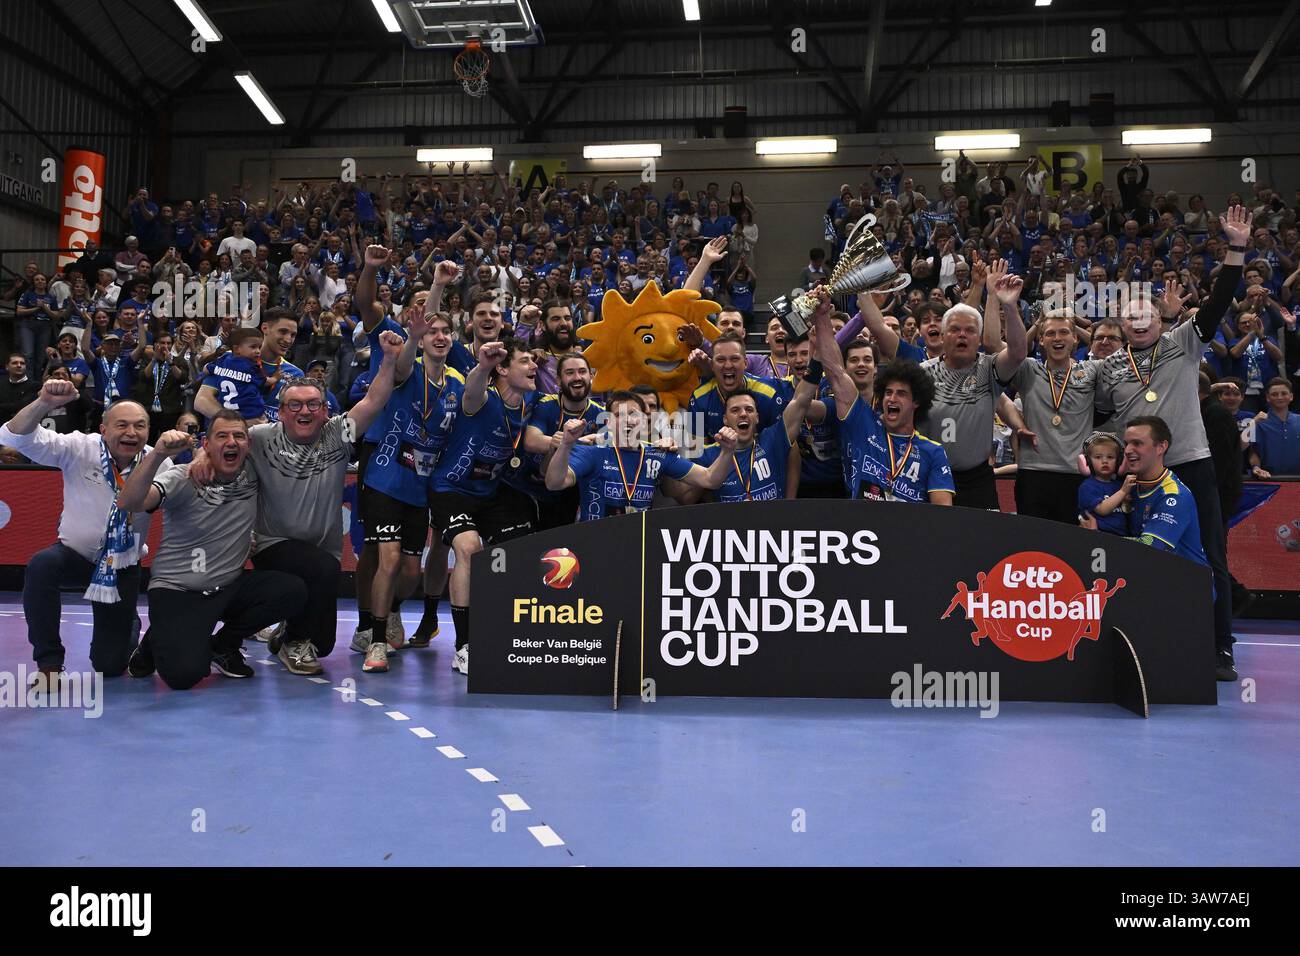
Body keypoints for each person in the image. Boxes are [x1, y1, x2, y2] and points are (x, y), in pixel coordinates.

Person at [1094, 205, 1254, 680]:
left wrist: (1237, 249)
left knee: (1209, 556)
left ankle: (1221, 647)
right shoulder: (1107, 369)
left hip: (1190, 466)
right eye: (1131, 318)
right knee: (1144, 558)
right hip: (1138, 481)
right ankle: (1150, 641)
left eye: (1147, 315)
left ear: (1161, 319)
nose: (1140, 323)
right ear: (1122, 325)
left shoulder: (1184, 343)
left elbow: (1220, 302)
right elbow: (1097, 419)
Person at [116, 414, 308, 690]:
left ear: (248, 443)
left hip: (227, 587)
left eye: (238, 436)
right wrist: (157, 455)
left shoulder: (253, 471)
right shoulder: (184, 476)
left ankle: (223, 646)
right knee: (182, 678)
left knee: (291, 591)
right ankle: (153, 641)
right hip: (178, 590)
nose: (231, 442)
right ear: (206, 443)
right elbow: (128, 502)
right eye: (222, 436)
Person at [0, 386, 164, 686]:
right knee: (42, 565)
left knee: (110, 666)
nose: (131, 432)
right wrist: (44, 403)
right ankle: (49, 665)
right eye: (122, 425)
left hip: (121, 566)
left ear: (149, 430)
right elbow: (11, 437)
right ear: (103, 429)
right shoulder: (79, 447)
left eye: (140, 426)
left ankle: (127, 622)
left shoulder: (158, 461)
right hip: (75, 556)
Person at [428, 338, 552, 676]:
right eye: (525, 361)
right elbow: (471, 391)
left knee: (520, 551)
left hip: (492, 491)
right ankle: (464, 646)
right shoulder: (484, 397)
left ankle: (505, 633)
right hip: (451, 487)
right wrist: (482, 365)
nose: (533, 368)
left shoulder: (529, 406)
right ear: (503, 368)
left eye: (535, 363)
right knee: (469, 549)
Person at [815, 309, 955, 505]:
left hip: (907, 531)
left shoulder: (933, 451)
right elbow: (836, 373)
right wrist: (821, 317)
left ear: (916, 402)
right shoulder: (863, 424)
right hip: (861, 530)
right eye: (888, 392)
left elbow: (943, 513)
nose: (891, 398)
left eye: (901, 393)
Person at [918, 262, 1028, 508]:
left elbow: (1019, 352)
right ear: (942, 336)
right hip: (930, 476)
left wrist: (1009, 306)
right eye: (955, 330)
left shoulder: (989, 368)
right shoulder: (922, 374)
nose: (962, 335)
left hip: (978, 479)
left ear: (978, 339)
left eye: (970, 331)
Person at [545, 390, 738, 516]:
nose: (628, 421)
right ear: (608, 423)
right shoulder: (592, 452)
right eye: (619, 415)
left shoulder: (659, 453)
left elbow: (710, 479)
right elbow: (554, 483)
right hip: (594, 543)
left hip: (640, 547)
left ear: (644, 420)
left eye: (633, 414)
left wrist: (728, 451)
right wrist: (565, 446)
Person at [1081, 416, 1210, 568]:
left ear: (1161, 447)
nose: (1127, 450)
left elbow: (1150, 547)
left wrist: (1099, 538)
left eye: (1137, 443)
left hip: (1185, 585)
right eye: (1126, 444)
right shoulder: (1129, 487)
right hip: (1151, 577)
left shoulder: (1174, 495)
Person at [1011, 310, 1100, 523]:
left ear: (1076, 338)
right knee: (1033, 545)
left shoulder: (1091, 370)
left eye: (1064, 333)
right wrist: (1036, 323)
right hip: (1033, 472)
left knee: (1072, 546)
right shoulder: (1028, 370)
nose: (1057, 338)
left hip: (1076, 474)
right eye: (1050, 333)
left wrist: (1075, 323)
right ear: (1041, 340)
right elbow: (1000, 346)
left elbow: (1115, 352)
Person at [195, 328, 269, 423]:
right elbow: (201, 401)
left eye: (259, 347)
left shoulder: (224, 361)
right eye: (282, 332)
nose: (288, 339)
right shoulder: (229, 359)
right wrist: (239, 424)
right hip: (236, 424)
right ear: (266, 329)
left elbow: (206, 368)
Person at [1076, 432, 1129, 535]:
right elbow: (1102, 509)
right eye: (1098, 457)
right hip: (1098, 536)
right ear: (1088, 462)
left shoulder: (1119, 485)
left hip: (1122, 536)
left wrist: (1127, 500)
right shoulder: (1087, 487)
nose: (1105, 461)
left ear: (1119, 462)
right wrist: (1123, 492)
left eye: (1110, 457)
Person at [1250, 378, 1299, 477]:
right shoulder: (1258, 422)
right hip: (1269, 479)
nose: (1279, 397)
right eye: (1274, 394)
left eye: (1284, 393)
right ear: (1268, 398)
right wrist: (1256, 467)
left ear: (1291, 396)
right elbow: (1253, 451)